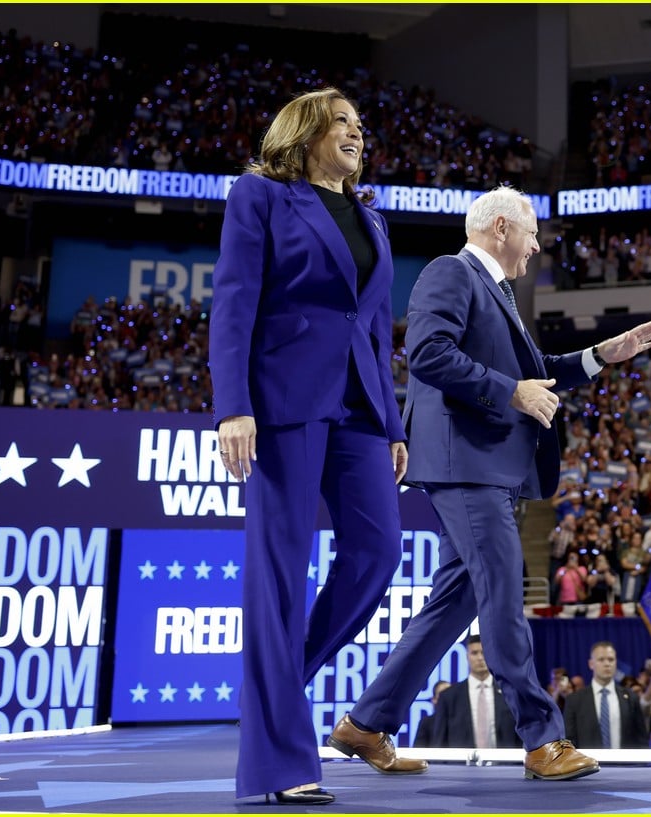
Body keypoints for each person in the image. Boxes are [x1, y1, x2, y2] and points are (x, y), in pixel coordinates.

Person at [326, 185, 651, 781]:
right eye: (533, 234)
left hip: (488, 469)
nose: (537, 246)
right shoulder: (450, 272)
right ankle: (542, 740)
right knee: (506, 592)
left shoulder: (500, 294)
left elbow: (540, 373)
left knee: (454, 603)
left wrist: (600, 357)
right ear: (502, 227)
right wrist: (510, 391)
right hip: (466, 464)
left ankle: (366, 722)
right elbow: (427, 354)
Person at [210, 88, 411, 806]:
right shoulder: (261, 194)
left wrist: (391, 423)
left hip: (359, 408)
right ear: (307, 132)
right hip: (282, 404)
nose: (359, 133)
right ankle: (282, 761)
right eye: (344, 123)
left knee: (379, 551)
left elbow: (379, 323)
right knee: (278, 576)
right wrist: (233, 406)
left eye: (362, 124)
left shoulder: (372, 217)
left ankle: (273, 697)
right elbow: (234, 300)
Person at [431, 635, 520, 748]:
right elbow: (439, 742)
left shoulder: (510, 694)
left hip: (504, 764)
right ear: (467, 657)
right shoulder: (449, 697)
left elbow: (520, 737)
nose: (480, 658)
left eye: (484, 653)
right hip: (459, 765)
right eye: (474, 653)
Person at [563, 642, 651, 749]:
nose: (607, 664)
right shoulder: (575, 700)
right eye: (601, 660)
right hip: (588, 764)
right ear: (591, 664)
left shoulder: (630, 698)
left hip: (624, 765)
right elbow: (569, 740)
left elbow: (641, 738)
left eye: (611, 660)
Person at [412, 681, 451, 748]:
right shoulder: (426, 723)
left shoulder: (461, 722)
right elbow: (418, 751)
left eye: (450, 694)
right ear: (434, 700)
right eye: (443, 695)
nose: (447, 699)